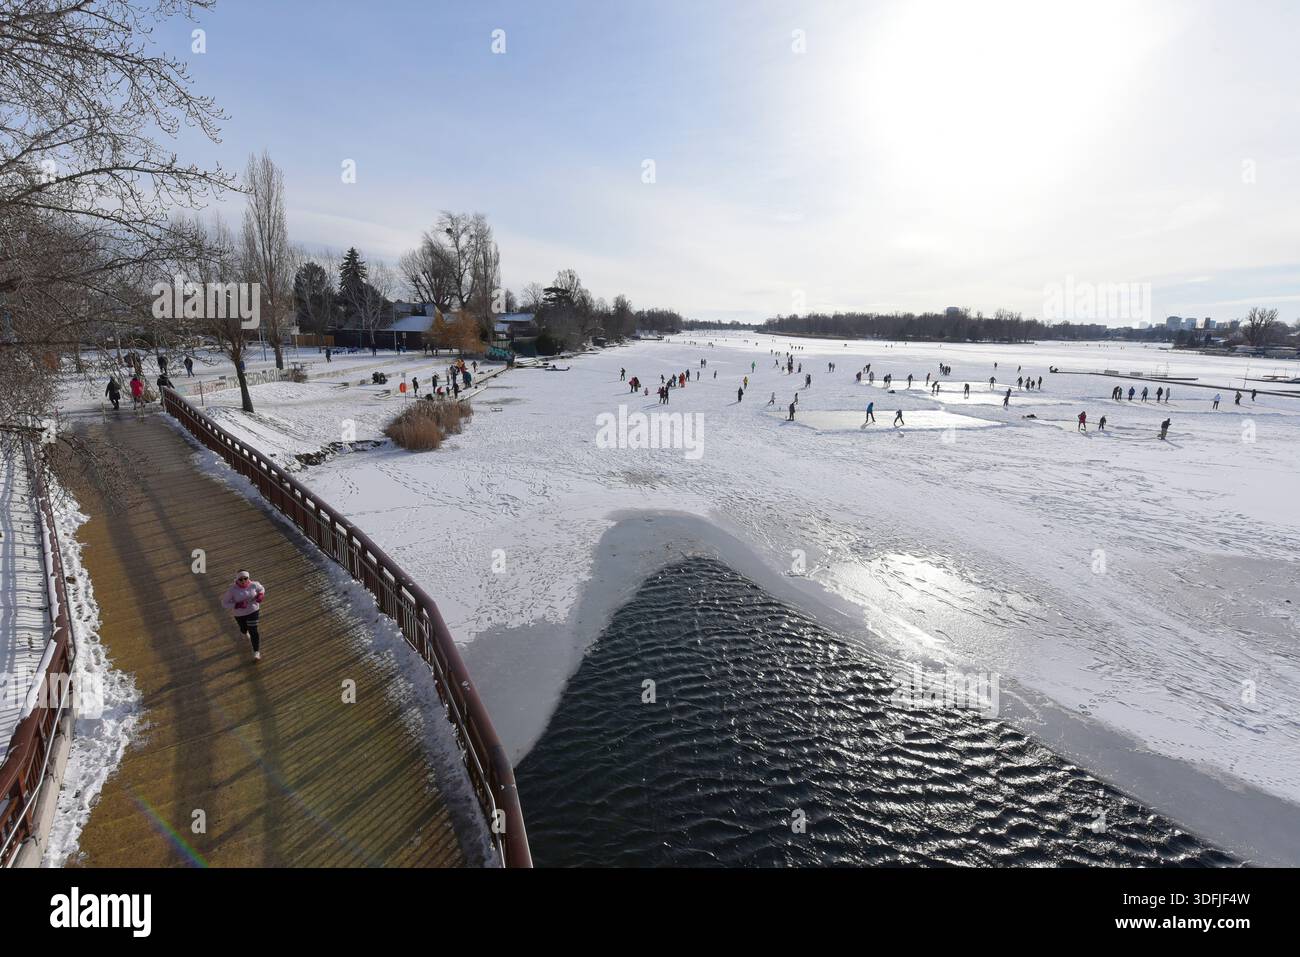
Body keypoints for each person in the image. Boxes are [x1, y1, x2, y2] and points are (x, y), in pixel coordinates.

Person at [221, 571, 266, 661]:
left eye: (245, 578)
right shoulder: (232, 590)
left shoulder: (254, 584)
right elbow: (224, 603)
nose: (243, 581)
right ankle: (244, 633)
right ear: (237, 579)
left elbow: (261, 589)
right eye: (240, 579)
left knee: (253, 631)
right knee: (243, 628)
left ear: (248, 578)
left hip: (253, 611)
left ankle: (256, 652)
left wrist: (261, 595)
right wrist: (237, 605)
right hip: (239, 614)